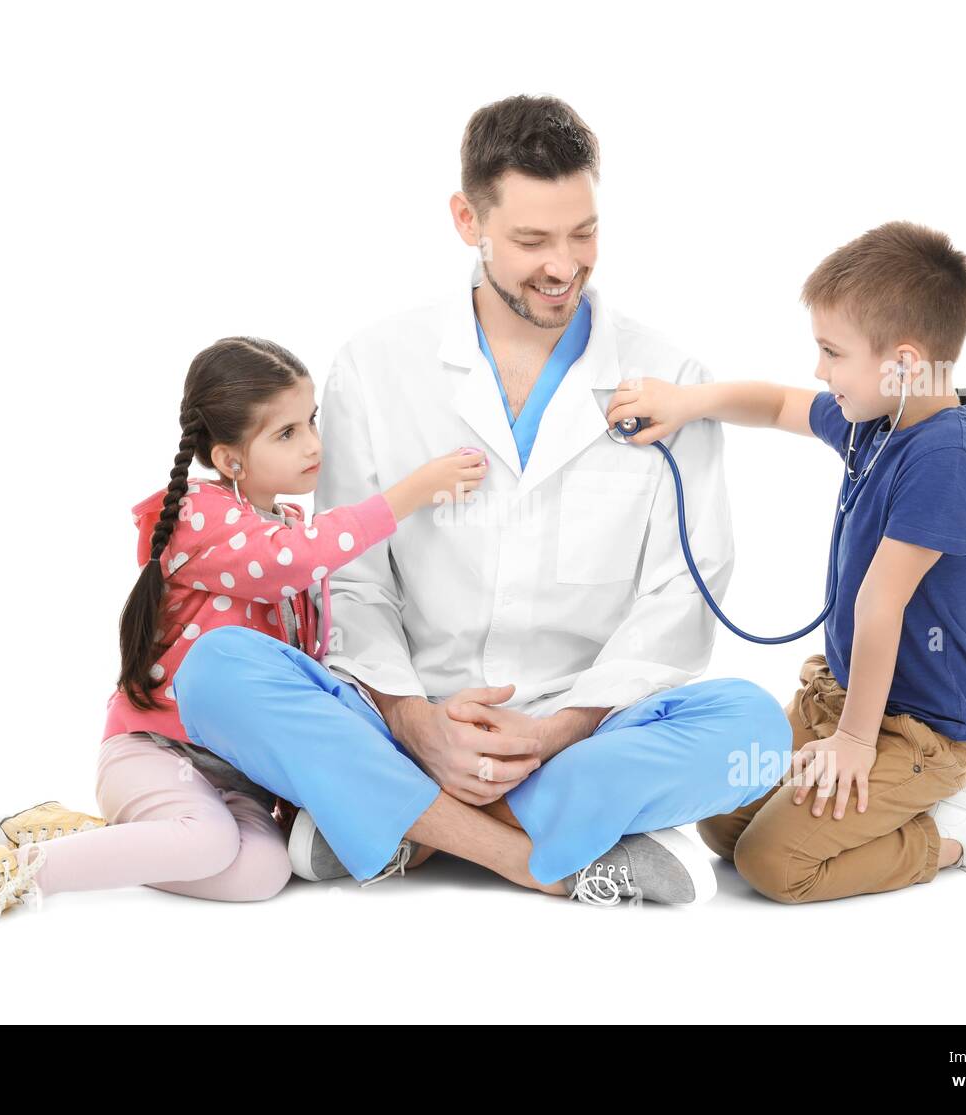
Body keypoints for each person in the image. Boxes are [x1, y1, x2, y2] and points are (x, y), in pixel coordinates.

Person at [174, 95, 792, 908]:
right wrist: (414, 724)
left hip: (580, 734)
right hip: (398, 723)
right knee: (214, 670)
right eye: (533, 240)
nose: (564, 266)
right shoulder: (375, 363)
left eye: (584, 233)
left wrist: (553, 730)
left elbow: (681, 593)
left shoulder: (671, 378)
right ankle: (537, 855)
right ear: (468, 219)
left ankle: (397, 821)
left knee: (758, 730)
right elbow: (355, 581)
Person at [0, 336, 488, 946]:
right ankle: (4, 875)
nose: (315, 444)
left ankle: (68, 835)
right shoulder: (201, 516)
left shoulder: (287, 525)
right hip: (158, 753)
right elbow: (292, 561)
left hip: (233, 776)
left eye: (312, 420)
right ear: (230, 458)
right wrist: (412, 492)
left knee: (262, 873)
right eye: (287, 433)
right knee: (208, 842)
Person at [605, 221, 966, 903]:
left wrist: (857, 743)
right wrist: (686, 402)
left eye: (832, 353)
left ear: (904, 363)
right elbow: (778, 404)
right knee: (721, 821)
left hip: (919, 730)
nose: (820, 372)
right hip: (842, 694)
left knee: (775, 864)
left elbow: (879, 603)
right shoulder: (879, 417)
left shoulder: (947, 462)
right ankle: (863, 783)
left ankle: (951, 835)